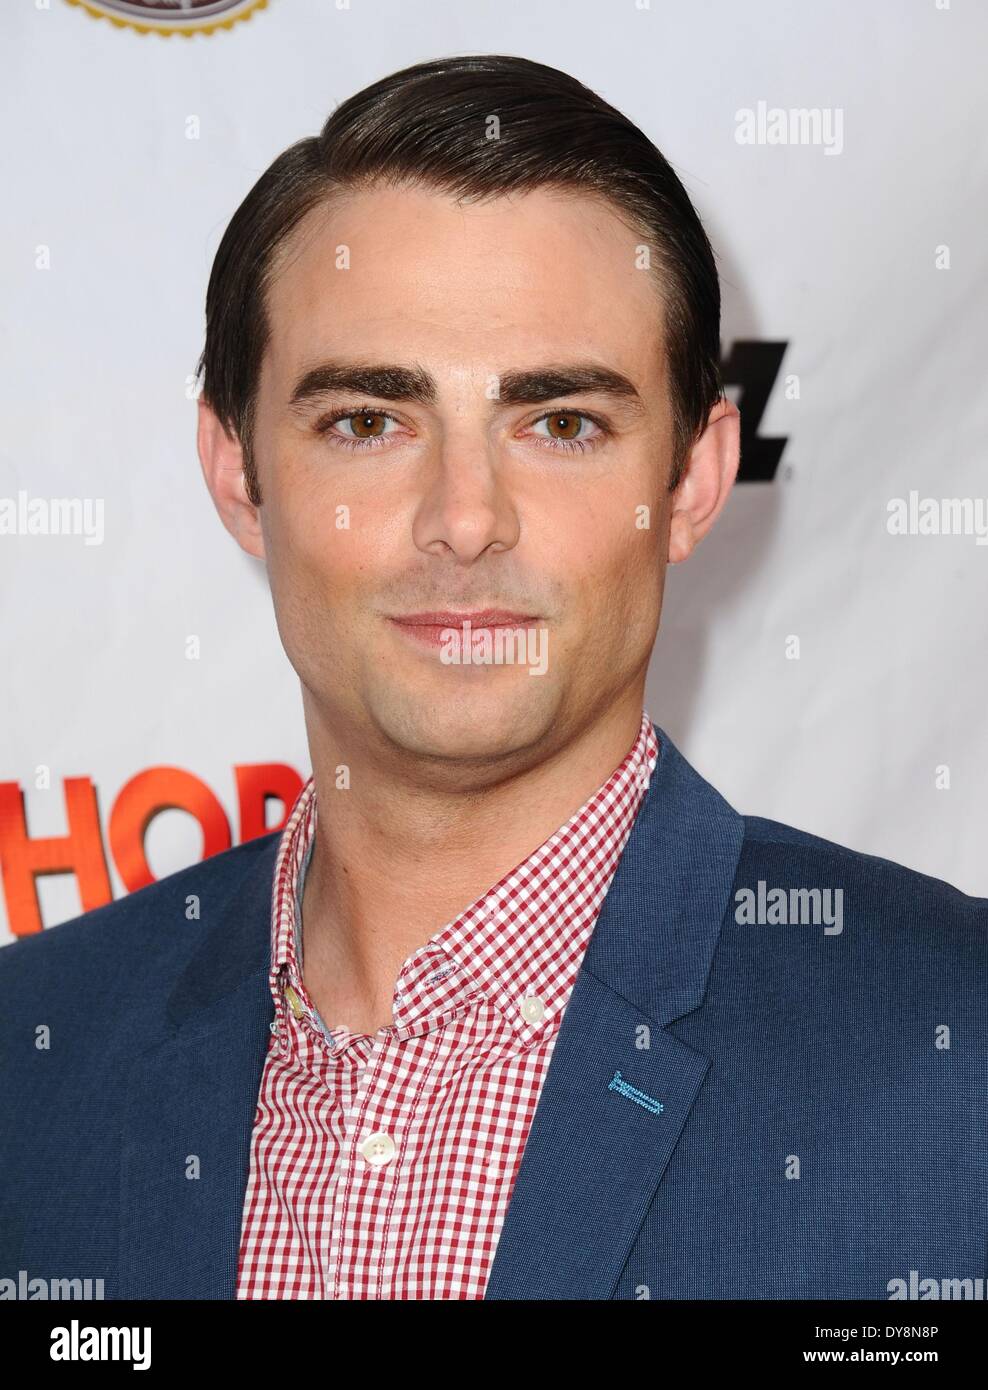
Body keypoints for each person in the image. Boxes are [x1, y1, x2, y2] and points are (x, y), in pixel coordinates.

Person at [1, 54, 985, 1303]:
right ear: (238, 472)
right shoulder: (34, 1057)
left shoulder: (956, 1056)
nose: (464, 520)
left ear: (690, 480)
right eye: (369, 421)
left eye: (560, 422)